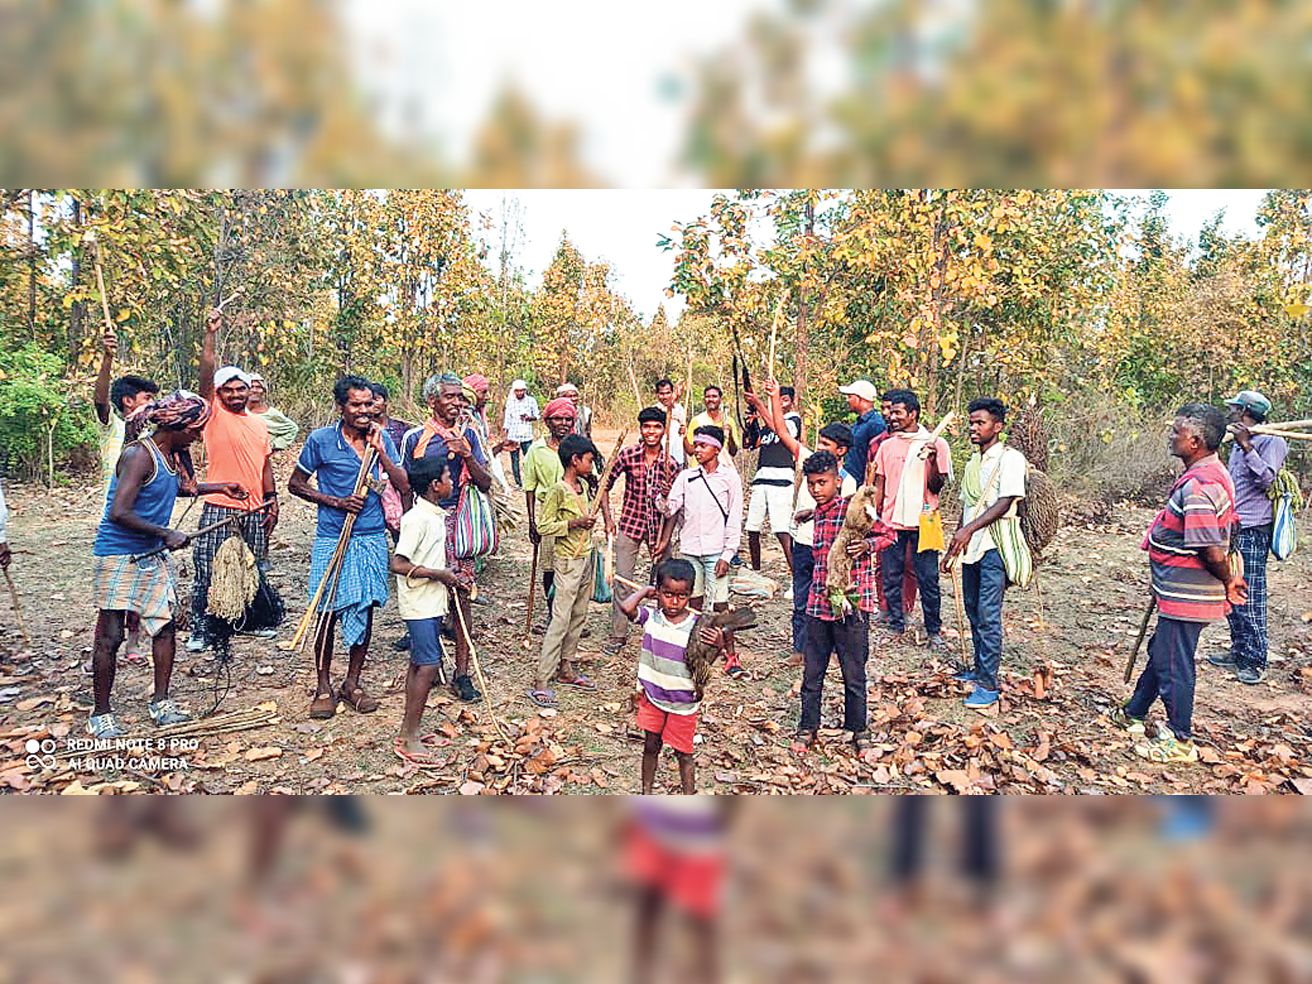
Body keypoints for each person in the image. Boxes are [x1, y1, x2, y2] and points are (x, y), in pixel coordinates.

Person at [88, 392, 247, 739]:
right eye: (195, 429)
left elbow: (174, 489)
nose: (198, 435)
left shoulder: (170, 456)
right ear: (175, 426)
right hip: (118, 554)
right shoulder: (138, 455)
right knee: (110, 637)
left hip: (152, 553)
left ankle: (160, 702)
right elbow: (119, 512)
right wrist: (165, 532)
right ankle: (101, 713)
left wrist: (221, 488)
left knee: (164, 629)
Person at [1114, 404, 1247, 764]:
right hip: (1179, 586)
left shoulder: (1201, 486)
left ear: (1195, 441)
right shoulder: (1208, 472)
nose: (1171, 436)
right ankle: (1134, 712)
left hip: (1188, 588)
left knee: (1174, 662)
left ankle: (1180, 739)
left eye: (1176, 431)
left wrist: (1229, 580)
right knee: (1164, 650)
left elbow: (1210, 548)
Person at [289, 375, 411, 720]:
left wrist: (381, 452)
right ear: (340, 406)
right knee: (327, 611)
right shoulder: (320, 440)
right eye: (355, 405)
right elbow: (296, 484)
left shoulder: (382, 437)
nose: (363, 411)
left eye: (368, 404)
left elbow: (402, 485)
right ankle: (324, 685)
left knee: (365, 607)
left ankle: (353, 683)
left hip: (370, 536)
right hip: (332, 535)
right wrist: (335, 501)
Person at [791, 451, 894, 756]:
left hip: (852, 602)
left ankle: (859, 730)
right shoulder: (819, 510)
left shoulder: (857, 508)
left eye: (822, 483)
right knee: (812, 673)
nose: (815, 489)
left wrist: (868, 545)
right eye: (811, 484)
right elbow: (821, 511)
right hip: (819, 603)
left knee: (854, 672)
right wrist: (809, 513)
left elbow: (887, 534)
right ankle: (808, 727)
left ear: (838, 480)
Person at [401, 373, 494, 703]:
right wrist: (405, 527)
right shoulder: (415, 438)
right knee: (426, 594)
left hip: (458, 522)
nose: (458, 403)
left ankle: (462, 673)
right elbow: (405, 486)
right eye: (451, 397)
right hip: (426, 522)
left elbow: (485, 483)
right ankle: (429, 662)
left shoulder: (470, 434)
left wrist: (468, 455)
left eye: (461, 398)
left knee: (460, 596)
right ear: (432, 402)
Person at [190, 308, 279, 651]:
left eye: (241, 389)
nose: (237, 394)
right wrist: (210, 335)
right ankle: (202, 627)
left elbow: (265, 464)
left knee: (251, 565)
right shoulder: (212, 415)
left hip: (255, 508)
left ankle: (250, 621)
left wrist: (272, 501)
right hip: (218, 504)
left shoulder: (259, 425)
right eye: (229, 389)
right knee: (207, 565)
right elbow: (205, 375)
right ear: (219, 393)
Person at [761, 379, 856, 666]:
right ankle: (800, 648)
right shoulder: (809, 459)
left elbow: (846, 514)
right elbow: (780, 430)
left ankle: (836, 649)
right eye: (820, 442)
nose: (819, 448)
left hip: (831, 548)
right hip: (804, 543)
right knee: (802, 596)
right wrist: (775, 398)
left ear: (841, 451)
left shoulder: (848, 481)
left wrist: (813, 513)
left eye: (826, 444)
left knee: (834, 595)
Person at [941, 398, 1028, 710]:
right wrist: (956, 542)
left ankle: (989, 685)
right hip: (971, 548)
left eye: (981, 423)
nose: (974, 428)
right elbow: (968, 506)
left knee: (989, 615)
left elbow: (1005, 502)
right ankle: (979, 669)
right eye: (972, 422)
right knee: (973, 610)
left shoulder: (1011, 459)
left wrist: (969, 530)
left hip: (996, 545)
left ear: (998, 426)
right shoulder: (972, 464)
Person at [618, 560, 728, 795]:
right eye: (667, 594)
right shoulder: (651, 617)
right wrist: (644, 592)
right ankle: (646, 792)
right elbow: (627, 608)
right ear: (658, 593)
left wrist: (718, 646)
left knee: (683, 753)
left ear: (690, 595)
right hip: (654, 696)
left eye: (682, 596)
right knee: (651, 745)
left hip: (683, 702)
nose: (674, 602)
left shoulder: (698, 626)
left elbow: (705, 665)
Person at [92, 325, 159, 665]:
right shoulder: (114, 426)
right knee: (112, 594)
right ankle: (103, 648)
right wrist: (107, 357)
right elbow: (101, 399)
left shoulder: (153, 434)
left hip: (144, 515)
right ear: (129, 402)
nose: (153, 404)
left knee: (143, 583)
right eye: (147, 398)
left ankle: (134, 640)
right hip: (117, 516)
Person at [390, 455, 461, 767]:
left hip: (431, 601)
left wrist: (447, 575)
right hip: (419, 603)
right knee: (429, 666)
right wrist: (438, 574)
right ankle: (410, 736)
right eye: (448, 476)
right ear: (435, 485)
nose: (452, 481)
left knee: (418, 664)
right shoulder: (416, 519)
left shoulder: (434, 515)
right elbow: (398, 563)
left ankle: (408, 729)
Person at [1214, 390, 1288, 685]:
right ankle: (1238, 650)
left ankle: (1255, 659)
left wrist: (1247, 447)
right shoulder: (1236, 440)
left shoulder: (1273, 441)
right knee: (1229, 588)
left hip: (1254, 528)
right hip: (1232, 525)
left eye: (1234, 407)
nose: (1230, 412)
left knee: (1251, 593)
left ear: (1246, 410)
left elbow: (1268, 480)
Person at [660, 426, 746, 678]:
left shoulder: (729, 478)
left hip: (716, 550)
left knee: (720, 605)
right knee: (692, 602)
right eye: (695, 445)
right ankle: (692, 652)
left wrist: (727, 554)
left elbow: (734, 518)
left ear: (716, 449)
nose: (697, 450)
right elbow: (670, 510)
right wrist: (662, 498)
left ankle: (730, 656)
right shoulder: (686, 477)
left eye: (702, 446)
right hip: (689, 549)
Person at [871, 389, 952, 650]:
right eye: (890, 412)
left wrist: (931, 460)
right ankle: (896, 622)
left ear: (913, 414)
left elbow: (937, 486)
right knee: (891, 575)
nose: (891, 417)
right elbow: (880, 485)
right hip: (892, 521)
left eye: (898, 413)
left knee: (928, 577)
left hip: (924, 521)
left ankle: (933, 630)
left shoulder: (936, 443)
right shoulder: (887, 446)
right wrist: (874, 517)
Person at [600, 407, 682, 656]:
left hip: (659, 530)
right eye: (647, 427)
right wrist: (608, 518)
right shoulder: (628, 455)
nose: (651, 432)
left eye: (657, 427)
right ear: (640, 429)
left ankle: (662, 631)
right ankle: (618, 634)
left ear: (664, 430)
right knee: (622, 580)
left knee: (664, 584)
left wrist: (666, 538)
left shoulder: (671, 464)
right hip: (631, 524)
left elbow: (675, 507)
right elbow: (604, 484)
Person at [527, 434, 601, 708]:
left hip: (585, 558)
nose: (592, 465)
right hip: (567, 561)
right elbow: (544, 526)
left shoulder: (583, 485)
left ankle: (566, 667)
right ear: (575, 460)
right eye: (589, 460)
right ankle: (542, 680)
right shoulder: (558, 490)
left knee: (579, 616)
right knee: (560, 618)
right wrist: (573, 524)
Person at [627, 797, 728, 984]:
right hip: (652, 824)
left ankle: (710, 976)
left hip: (699, 834)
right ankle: (640, 975)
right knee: (647, 909)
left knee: (702, 920)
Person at [523, 397, 579, 631]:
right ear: (547, 422)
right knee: (549, 567)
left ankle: (569, 616)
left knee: (573, 566)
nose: (563, 423)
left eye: (567, 419)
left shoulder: (579, 446)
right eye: (558, 418)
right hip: (548, 514)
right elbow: (529, 486)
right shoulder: (537, 450)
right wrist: (532, 522)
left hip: (575, 512)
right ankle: (552, 614)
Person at [742, 385, 801, 577]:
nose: (781, 401)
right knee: (752, 528)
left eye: (785, 398)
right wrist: (751, 424)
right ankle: (756, 572)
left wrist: (759, 404)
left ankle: (796, 576)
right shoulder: (768, 424)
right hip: (761, 479)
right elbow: (750, 444)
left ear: (791, 401)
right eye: (778, 398)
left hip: (781, 479)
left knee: (782, 530)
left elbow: (781, 431)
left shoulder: (793, 420)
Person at [871, 390, 918, 623]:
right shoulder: (879, 444)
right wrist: (871, 512)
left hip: (915, 518)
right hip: (887, 514)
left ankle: (905, 608)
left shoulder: (926, 444)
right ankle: (885, 607)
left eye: (894, 410)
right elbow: (875, 479)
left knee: (910, 565)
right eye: (887, 410)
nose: (889, 415)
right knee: (884, 565)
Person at [463, 373, 512, 493]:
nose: (488, 397)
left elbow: (483, 454)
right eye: (483, 392)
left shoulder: (477, 418)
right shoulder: (465, 422)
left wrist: (499, 447)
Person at [838, 378, 886, 482]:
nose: (847, 400)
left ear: (860, 399)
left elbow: (876, 459)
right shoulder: (859, 423)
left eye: (850, 397)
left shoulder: (876, 425)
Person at [684, 385, 739, 469]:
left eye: (714, 396)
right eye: (707, 397)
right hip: (699, 470)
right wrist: (683, 436)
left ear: (720, 399)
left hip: (722, 470)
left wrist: (730, 435)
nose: (711, 399)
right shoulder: (697, 421)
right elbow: (691, 451)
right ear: (704, 400)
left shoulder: (729, 421)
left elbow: (733, 452)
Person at [246, 373, 299, 451]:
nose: (254, 390)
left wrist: (273, 445)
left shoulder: (271, 414)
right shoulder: (237, 410)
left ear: (263, 391)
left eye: (258, 387)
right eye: (251, 387)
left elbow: (293, 429)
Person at [503, 379, 539, 485]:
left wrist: (529, 418)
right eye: (517, 391)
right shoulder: (510, 401)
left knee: (528, 459)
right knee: (514, 460)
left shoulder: (531, 401)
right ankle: (518, 482)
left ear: (525, 390)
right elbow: (507, 418)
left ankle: (530, 480)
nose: (519, 393)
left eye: (521, 390)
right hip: (513, 435)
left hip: (526, 434)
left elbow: (537, 416)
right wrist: (505, 433)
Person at [654, 378, 688, 466]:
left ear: (672, 393)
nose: (665, 397)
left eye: (668, 393)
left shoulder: (679, 409)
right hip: (660, 457)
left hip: (677, 455)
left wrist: (683, 429)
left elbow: (683, 428)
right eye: (661, 394)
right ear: (657, 394)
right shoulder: (654, 411)